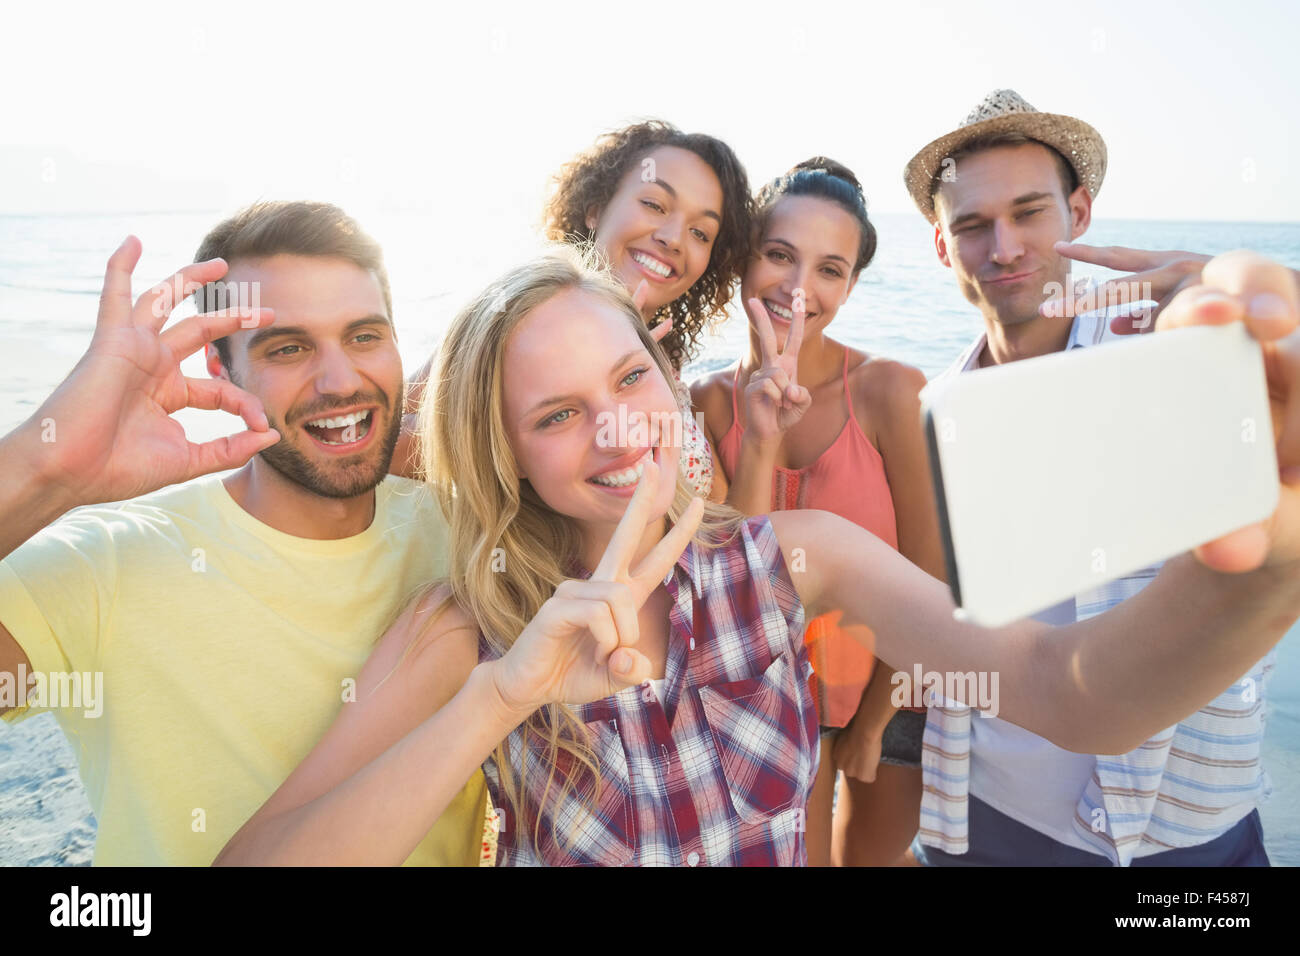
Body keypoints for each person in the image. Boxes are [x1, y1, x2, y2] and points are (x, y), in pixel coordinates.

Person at [215, 244, 1300, 867]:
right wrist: (499, 698)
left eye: (631, 380)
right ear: (504, 454)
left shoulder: (797, 560)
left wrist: (1266, 558)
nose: (617, 429)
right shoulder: (464, 633)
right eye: (556, 413)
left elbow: (1071, 693)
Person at [0, 202, 486, 865]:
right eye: (288, 348)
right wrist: (45, 465)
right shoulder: (107, 567)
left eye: (366, 336)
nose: (341, 380)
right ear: (220, 368)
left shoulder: (469, 534)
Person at [903, 89, 1294, 865]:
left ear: (1078, 213)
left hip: (1173, 829)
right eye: (973, 226)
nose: (1005, 247)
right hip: (977, 816)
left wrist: (1257, 323)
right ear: (943, 248)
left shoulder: (1169, 356)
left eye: (1029, 212)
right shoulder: (935, 406)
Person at [690, 158, 941, 866]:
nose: (801, 289)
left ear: (853, 284)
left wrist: (869, 724)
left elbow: (929, 574)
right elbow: (726, 586)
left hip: (888, 704)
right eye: (779, 256)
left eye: (830, 269)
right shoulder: (705, 405)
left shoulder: (890, 391)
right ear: (742, 257)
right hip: (756, 711)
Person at [399, 120, 752, 499]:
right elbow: (386, 443)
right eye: (653, 204)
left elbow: (716, 511)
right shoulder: (519, 322)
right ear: (596, 209)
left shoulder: (664, 360)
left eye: (700, 233)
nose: (672, 238)